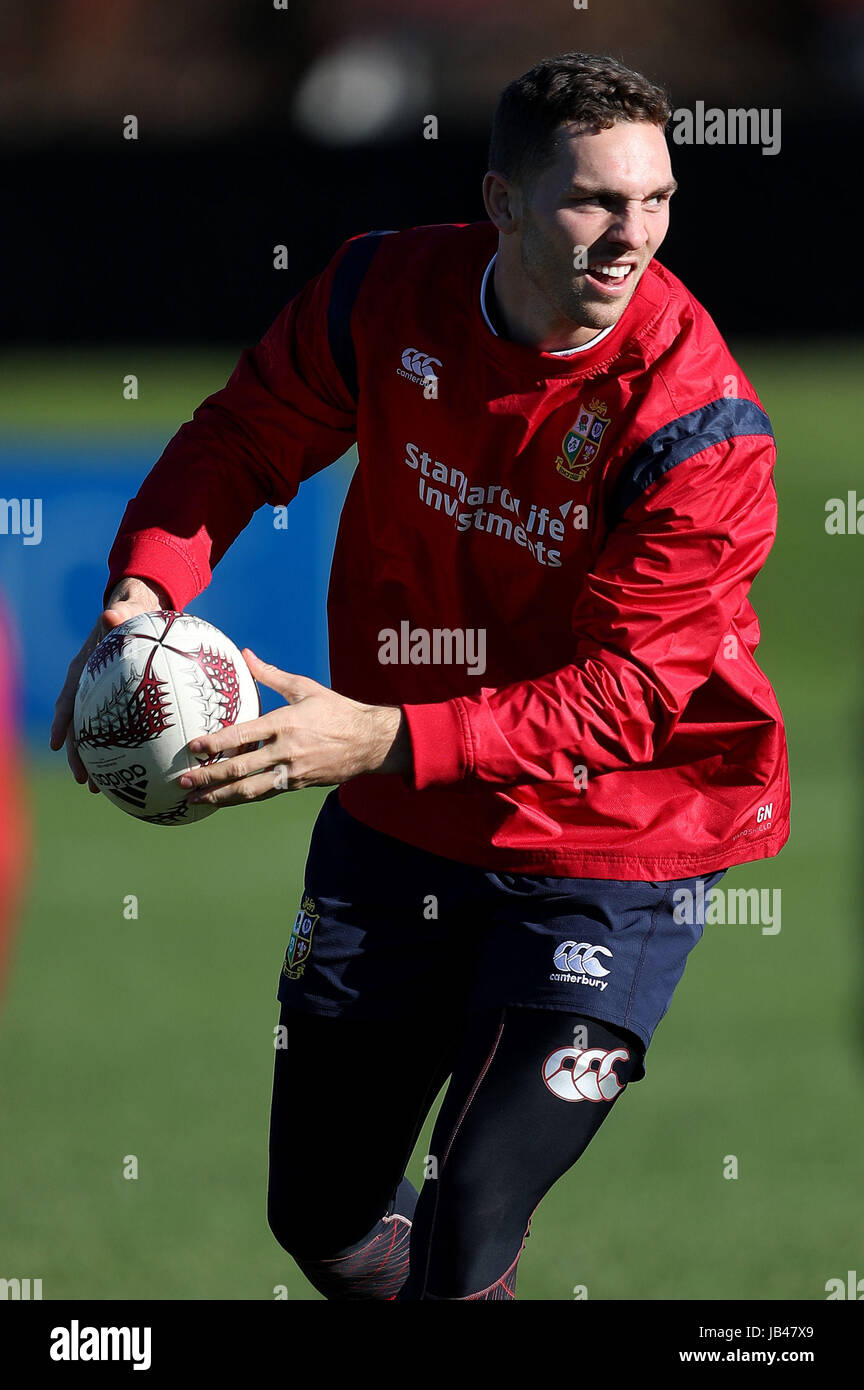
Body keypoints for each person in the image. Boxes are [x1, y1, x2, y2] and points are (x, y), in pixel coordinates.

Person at [50, 51, 789, 1301]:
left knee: (468, 1221)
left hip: (613, 845)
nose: (633, 237)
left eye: (656, 201)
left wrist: (378, 737)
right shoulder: (382, 293)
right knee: (327, 1223)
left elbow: (626, 696)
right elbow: (242, 436)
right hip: (403, 827)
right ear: (500, 201)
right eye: (595, 201)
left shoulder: (696, 424)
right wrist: (144, 593)